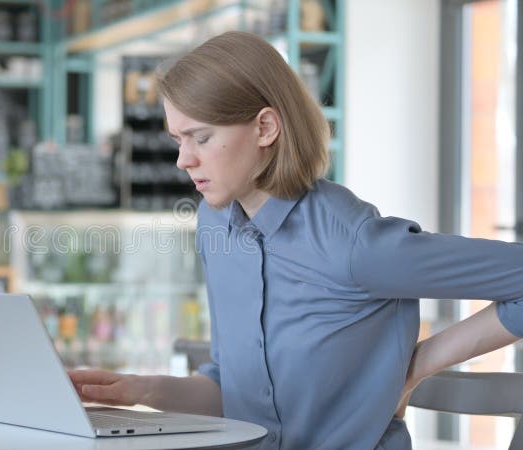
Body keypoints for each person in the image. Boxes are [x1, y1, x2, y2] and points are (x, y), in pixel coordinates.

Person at [68, 31, 523, 449]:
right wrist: (138, 390)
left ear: (265, 128)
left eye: (201, 137)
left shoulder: (354, 245)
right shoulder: (214, 224)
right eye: (177, 140)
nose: (183, 160)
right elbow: (232, 390)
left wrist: (420, 362)